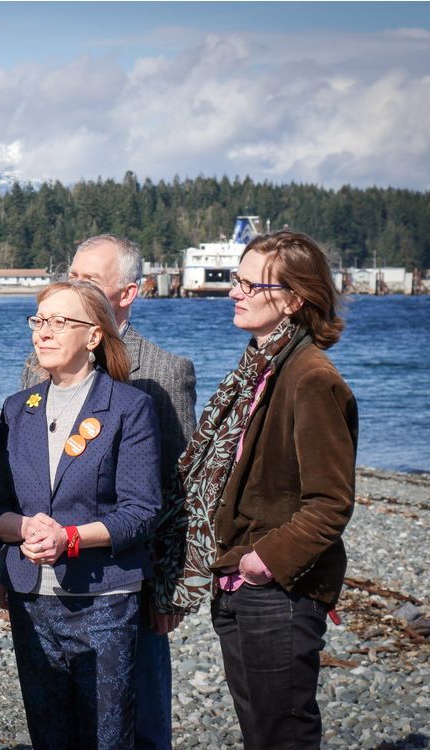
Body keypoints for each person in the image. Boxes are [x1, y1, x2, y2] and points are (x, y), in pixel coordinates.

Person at [171, 231, 358, 749]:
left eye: (251, 284)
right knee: (260, 731)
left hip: (280, 589)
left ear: (294, 299)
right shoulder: (256, 371)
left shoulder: (310, 378)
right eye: (237, 279)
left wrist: (262, 563)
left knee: (283, 734)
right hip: (236, 577)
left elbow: (330, 503)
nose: (236, 292)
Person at [21, 234, 196, 749]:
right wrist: (11, 567)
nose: (75, 285)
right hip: (47, 580)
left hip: (129, 580)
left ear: (127, 294)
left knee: (137, 725)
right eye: (71, 274)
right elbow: (26, 482)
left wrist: (167, 590)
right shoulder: (37, 367)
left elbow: (176, 490)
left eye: (90, 280)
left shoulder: (164, 372)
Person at [0, 279, 162, 748]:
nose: (44, 332)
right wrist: (22, 529)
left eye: (60, 322)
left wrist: (70, 538)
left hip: (104, 600)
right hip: (31, 601)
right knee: (49, 736)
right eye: (39, 321)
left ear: (94, 336)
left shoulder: (130, 407)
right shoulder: (18, 409)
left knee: (107, 736)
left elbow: (142, 512)